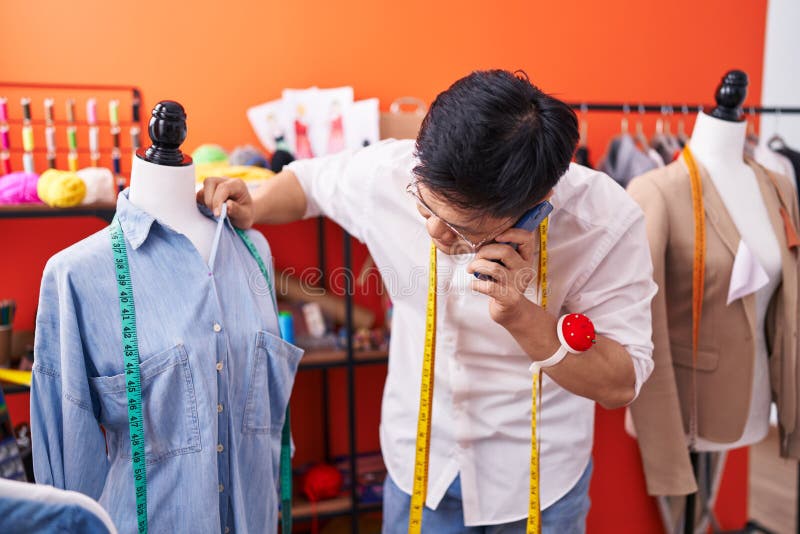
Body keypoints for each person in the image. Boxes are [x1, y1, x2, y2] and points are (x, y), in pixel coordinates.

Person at [200, 70, 656, 533]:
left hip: (538, 480)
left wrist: (523, 318)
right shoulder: (390, 172)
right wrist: (256, 204)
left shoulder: (605, 223)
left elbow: (621, 381)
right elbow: (308, 184)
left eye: (462, 228)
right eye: (425, 205)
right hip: (418, 461)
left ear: (539, 203)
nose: (436, 233)